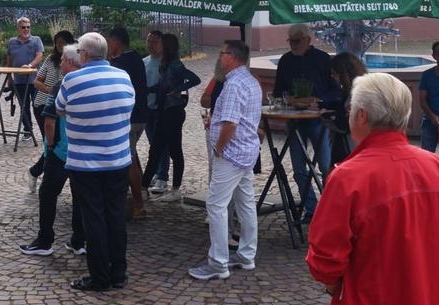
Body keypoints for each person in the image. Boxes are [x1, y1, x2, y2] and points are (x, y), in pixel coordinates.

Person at [307, 73, 439, 305]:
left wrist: (333, 286)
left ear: (361, 116)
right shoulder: (438, 167)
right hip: (421, 303)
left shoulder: (348, 176)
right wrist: (426, 267)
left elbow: (326, 253)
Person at [57, 32, 134, 292]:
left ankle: (100, 277)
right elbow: (129, 106)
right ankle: (119, 273)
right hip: (118, 160)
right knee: (116, 216)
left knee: (94, 219)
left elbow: (60, 108)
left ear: (84, 54)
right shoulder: (123, 76)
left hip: (85, 164)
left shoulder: (72, 80)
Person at [188, 40, 261, 280]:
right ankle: (246, 256)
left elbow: (231, 124)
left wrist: (219, 149)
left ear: (232, 57)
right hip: (246, 151)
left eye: (222, 53)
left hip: (231, 154)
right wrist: (216, 123)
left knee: (216, 205)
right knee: (245, 203)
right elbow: (236, 119)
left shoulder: (233, 84)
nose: (219, 57)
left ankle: (218, 263)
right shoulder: (250, 81)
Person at [19, 44, 86, 256]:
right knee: (79, 196)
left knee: (48, 194)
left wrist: (49, 146)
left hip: (60, 151)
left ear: (70, 62)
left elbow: (50, 121)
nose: (61, 62)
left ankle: (44, 241)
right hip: (81, 150)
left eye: (63, 59)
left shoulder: (61, 85)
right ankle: (79, 241)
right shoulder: (88, 83)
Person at [271, 23, 339, 220]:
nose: (293, 45)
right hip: (294, 119)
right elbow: (278, 91)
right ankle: (311, 209)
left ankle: (331, 210)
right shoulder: (285, 60)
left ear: (308, 40)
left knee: (326, 166)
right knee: (299, 168)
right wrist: (288, 99)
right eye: (291, 41)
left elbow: (335, 90)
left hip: (318, 119)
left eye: (297, 41)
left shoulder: (323, 59)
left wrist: (320, 100)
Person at [142, 33, 200, 201]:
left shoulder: (175, 65)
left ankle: (175, 189)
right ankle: (144, 187)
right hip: (162, 111)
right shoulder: (165, 64)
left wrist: (177, 90)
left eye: (159, 43)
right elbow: (161, 85)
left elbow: (195, 79)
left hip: (173, 112)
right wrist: (148, 89)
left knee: (174, 150)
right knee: (155, 150)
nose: (155, 45)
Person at [106, 27, 148, 218]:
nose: (107, 46)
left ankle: (138, 204)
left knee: (128, 158)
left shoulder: (120, 63)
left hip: (129, 118)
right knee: (131, 154)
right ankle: (140, 193)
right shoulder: (136, 58)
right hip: (139, 115)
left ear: (116, 42)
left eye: (108, 42)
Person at [26, 31, 75, 193]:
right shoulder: (51, 59)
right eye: (57, 42)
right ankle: (47, 177)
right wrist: (52, 91)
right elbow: (37, 82)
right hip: (44, 105)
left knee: (56, 144)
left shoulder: (75, 60)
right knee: (51, 142)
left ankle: (38, 172)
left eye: (63, 42)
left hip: (64, 109)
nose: (60, 45)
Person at [6, 16, 44, 141]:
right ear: (18, 28)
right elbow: (9, 60)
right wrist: (9, 77)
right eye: (23, 27)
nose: (26, 29)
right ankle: (27, 130)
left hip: (35, 80)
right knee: (23, 106)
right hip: (19, 80)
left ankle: (44, 131)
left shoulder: (36, 40)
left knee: (38, 105)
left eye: (28, 27)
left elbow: (39, 56)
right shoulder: (12, 42)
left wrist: (30, 65)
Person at [327, 52, 367, 165]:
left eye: (335, 74)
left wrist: (330, 117)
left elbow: (346, 123)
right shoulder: (358, 89)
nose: (333, 77)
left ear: (343, 74)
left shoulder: (357, 94)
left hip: (352, 146)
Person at [143, 30, 169, 193]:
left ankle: (162, 176)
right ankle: (156, 171)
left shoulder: (166, 63)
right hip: (147, 108)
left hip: (162, 109)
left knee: (162, 144)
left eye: (155, 42)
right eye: (149, 41)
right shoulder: (144, 62)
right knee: (152, 143)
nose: (151, 45)